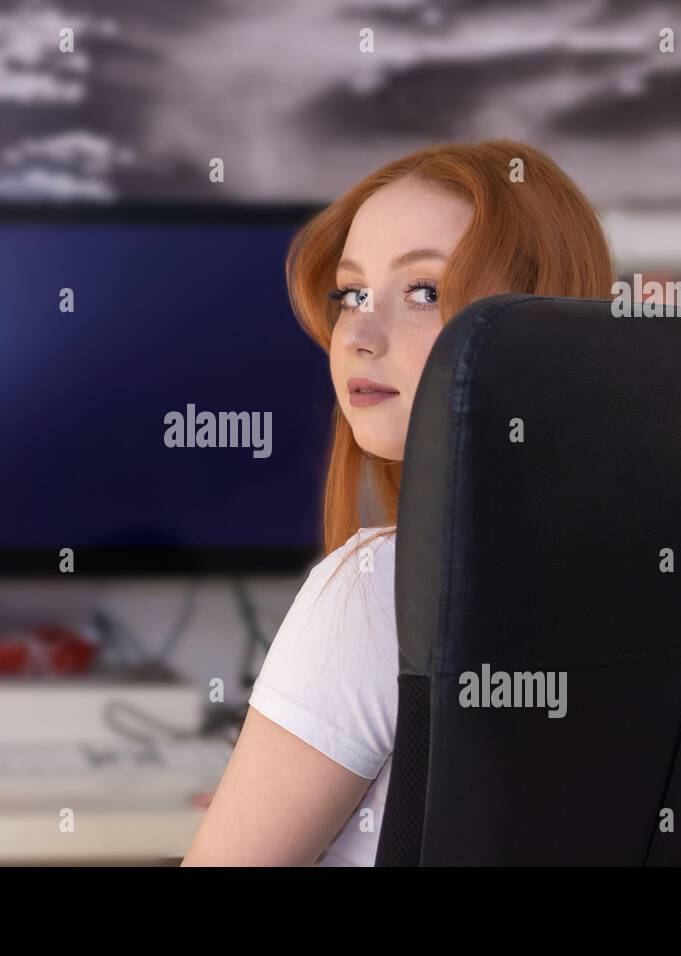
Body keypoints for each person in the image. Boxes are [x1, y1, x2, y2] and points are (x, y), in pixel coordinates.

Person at [182, 140, 614, 866]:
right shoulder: (656, 567)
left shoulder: (385, 585)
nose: (358, 335)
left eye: (425, 291)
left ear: (543, 327)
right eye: (351, 293)